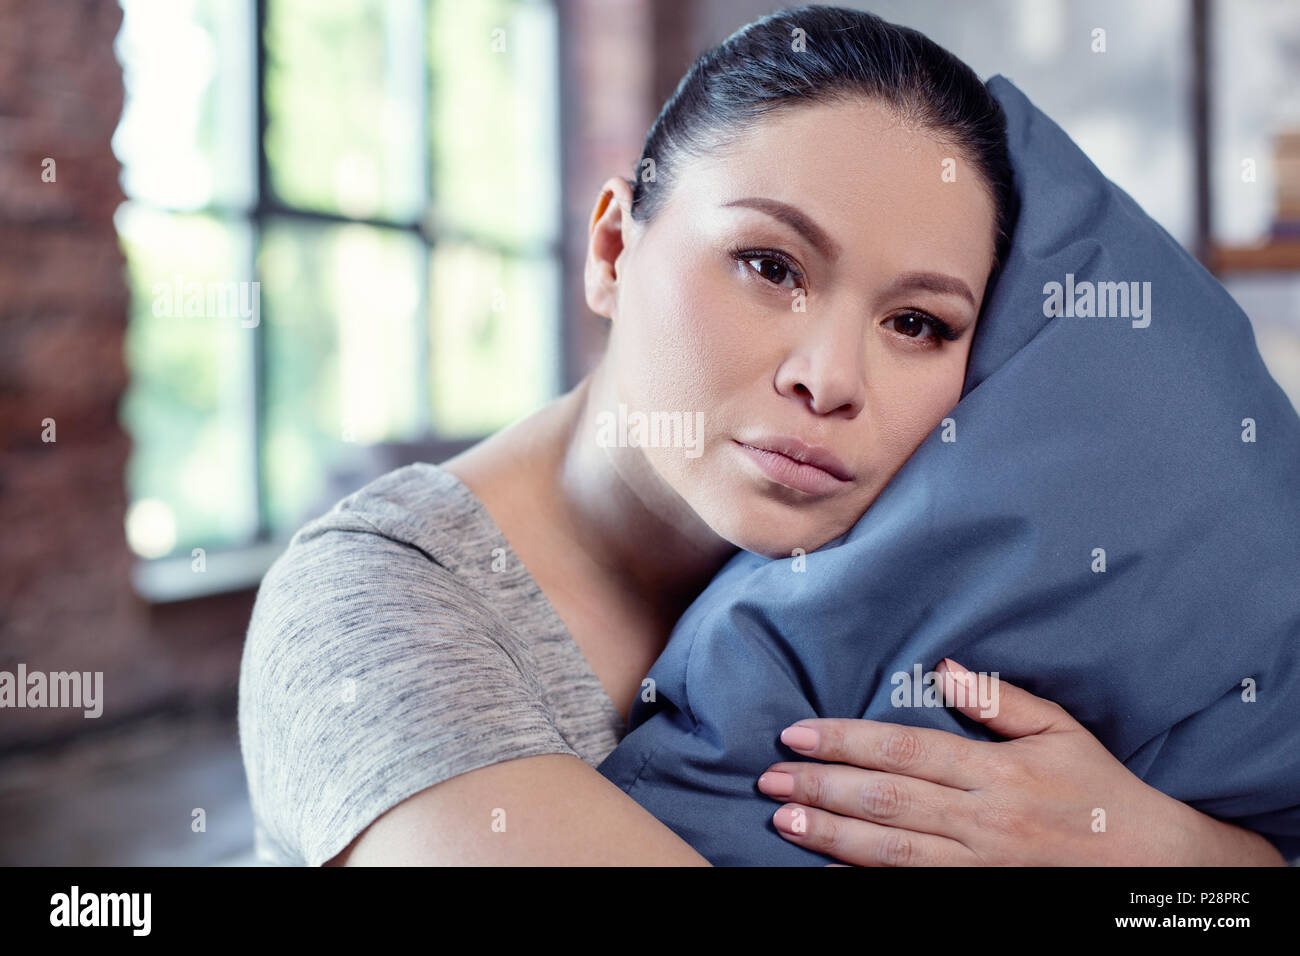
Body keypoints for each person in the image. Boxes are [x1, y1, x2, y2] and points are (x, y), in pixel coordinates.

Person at [237, 4, 1284, 866]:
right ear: (612, 245)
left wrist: (1174, 850)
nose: (828, 378)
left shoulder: (959, 598)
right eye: (770, 265)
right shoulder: (374, 609)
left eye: (916, 323)